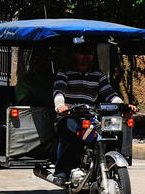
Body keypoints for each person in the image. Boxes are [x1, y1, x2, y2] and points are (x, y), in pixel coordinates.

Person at [52, 42, 136, 185]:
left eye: (89, 54)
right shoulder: (65, 72)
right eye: (82, 53)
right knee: (68, 130)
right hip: (70, 114)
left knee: (115, 131)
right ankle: (62, 171)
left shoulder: (98, 75)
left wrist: (123, 106)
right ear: (75, 55)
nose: (86, 57)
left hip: (91, 115)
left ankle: (106, 162)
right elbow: (58, 91)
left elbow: (110, 94)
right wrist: (60, 106)